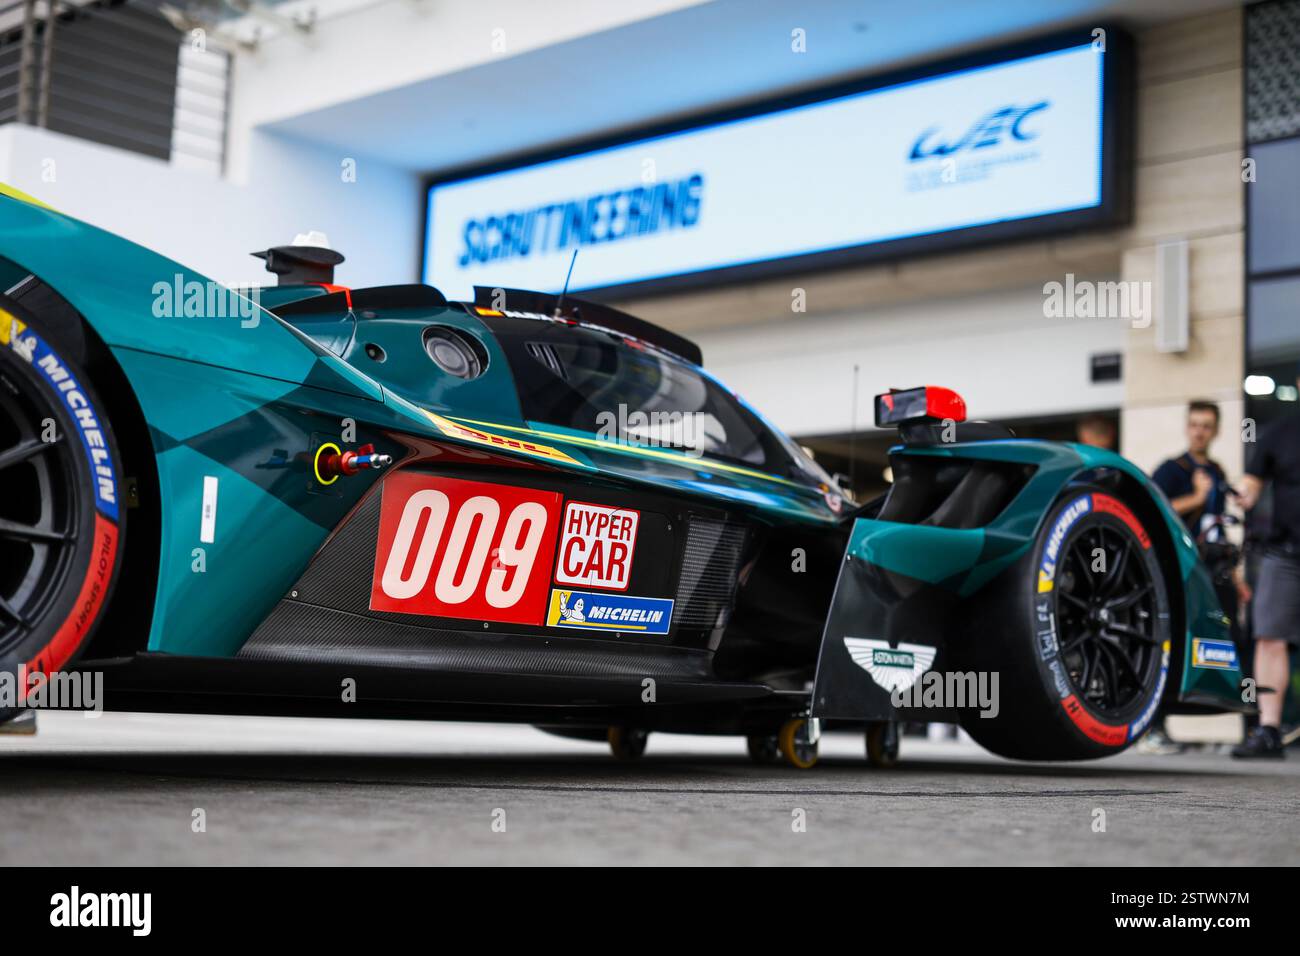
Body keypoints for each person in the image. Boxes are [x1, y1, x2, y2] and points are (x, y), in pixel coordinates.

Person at [1234, 371, 1300, 758]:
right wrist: (1243, 494)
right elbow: (1253, 482)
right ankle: (1269, 730)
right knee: (1270, 636)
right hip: (1285, 554)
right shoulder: (1279, 432)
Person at [1151, 401, 1229, 536]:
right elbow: (1154, 510)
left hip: (1214, 551)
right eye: (1194, 425)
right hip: (1183, 551)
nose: (1199, 433)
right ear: (1186, 428)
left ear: (1216, 431)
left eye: (1206, 427)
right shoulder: (1170, 469)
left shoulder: (1218, 471)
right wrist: (1197, 498)